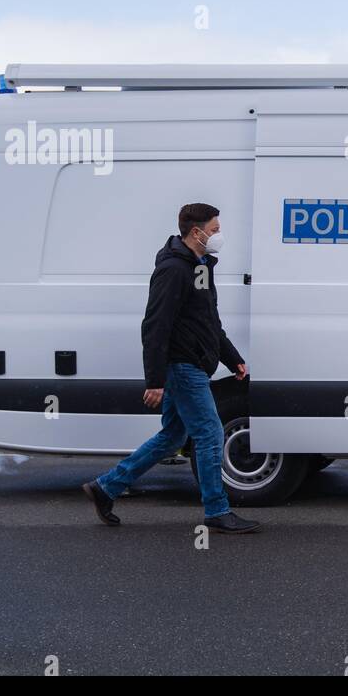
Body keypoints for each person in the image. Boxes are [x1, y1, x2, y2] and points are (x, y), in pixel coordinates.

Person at [82, 203, 260, 533]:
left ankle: (106, 487)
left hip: (193, 363)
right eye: (215, 230)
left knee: (172, 436)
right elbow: (155, 325)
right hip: (183, 365)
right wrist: (155, 380)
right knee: (210, 433)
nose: (219, 235)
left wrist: (232, 358)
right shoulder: (174, 270)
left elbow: (208, 323)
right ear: (196, 232)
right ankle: (217, 510)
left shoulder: (200, 266)